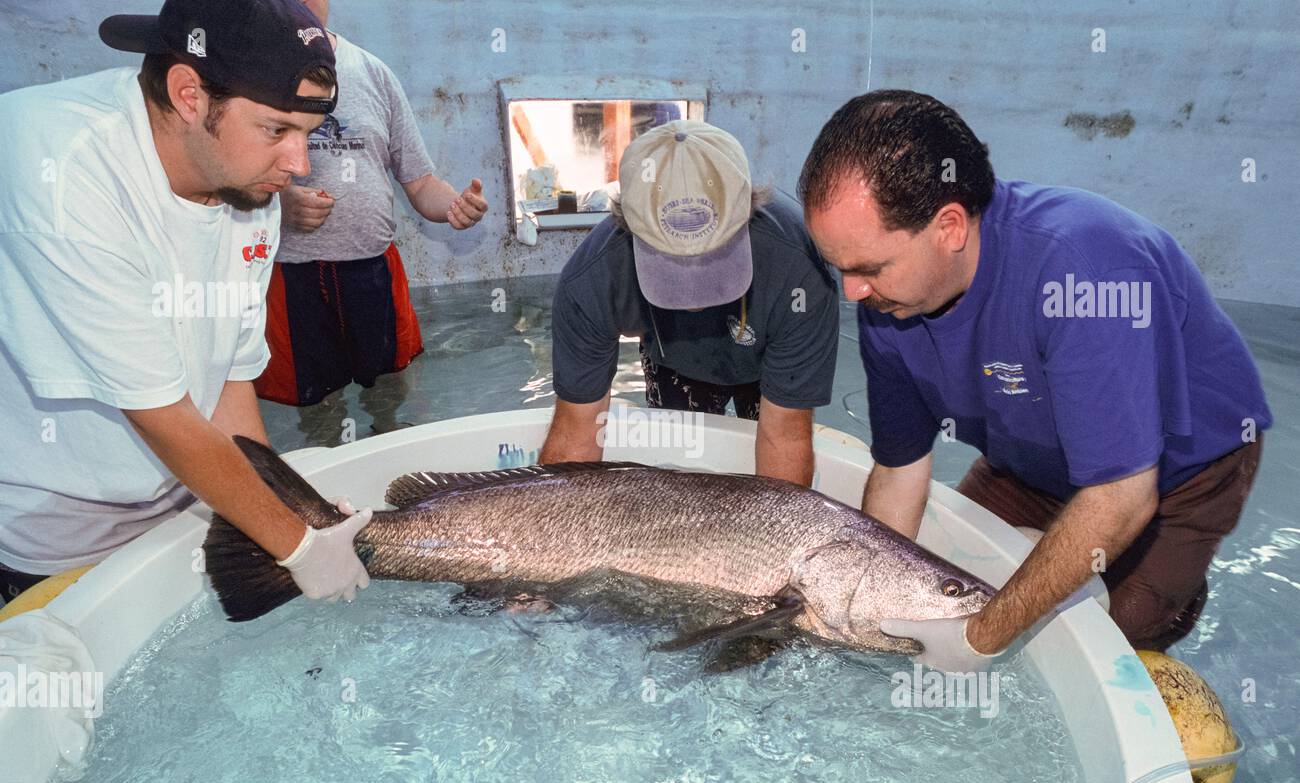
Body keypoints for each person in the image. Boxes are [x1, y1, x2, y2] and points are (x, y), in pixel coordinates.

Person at [799, 90, 1270, 671]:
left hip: (1175, 476)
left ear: (949, 226)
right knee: (936, 593)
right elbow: (899, 471)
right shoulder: (888, 304)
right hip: (1025, 460)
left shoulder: (1084, 272)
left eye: (869, 268)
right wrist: (860, 609)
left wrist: (977, 641)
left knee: (1094, 647)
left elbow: (1120, 495)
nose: (852, 293)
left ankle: (1170, 582)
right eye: (840, 268)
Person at [0, 0, 372, 611]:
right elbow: (159, 412)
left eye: (308, 135)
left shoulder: (247, 181)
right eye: (277, 130)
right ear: (190, 95)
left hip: (193, 492)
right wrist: (301, 547)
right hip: (60, 527)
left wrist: (292, 509)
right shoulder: (64, 171)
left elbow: (229, 375)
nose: (298, 164)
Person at [541, 120, 840, 486]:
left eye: (712, 262)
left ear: (747, 213)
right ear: (628, 226)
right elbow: (578, 432)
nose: (694, 301)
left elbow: (786, 436)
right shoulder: (591, 282)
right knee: (678, 471)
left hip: (767, 364)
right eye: (671, 269)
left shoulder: (799, 269)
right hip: (675, 362)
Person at [254, 0, 488, 415]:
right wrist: (278, 203)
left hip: (372, 270)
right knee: (316, 405)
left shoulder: (372, 73)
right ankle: (327, 466)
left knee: (390, 389)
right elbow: (220, 181)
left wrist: (454, 205)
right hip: (292, 274)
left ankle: (391, 454)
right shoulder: (247, 71)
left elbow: (420, 182)